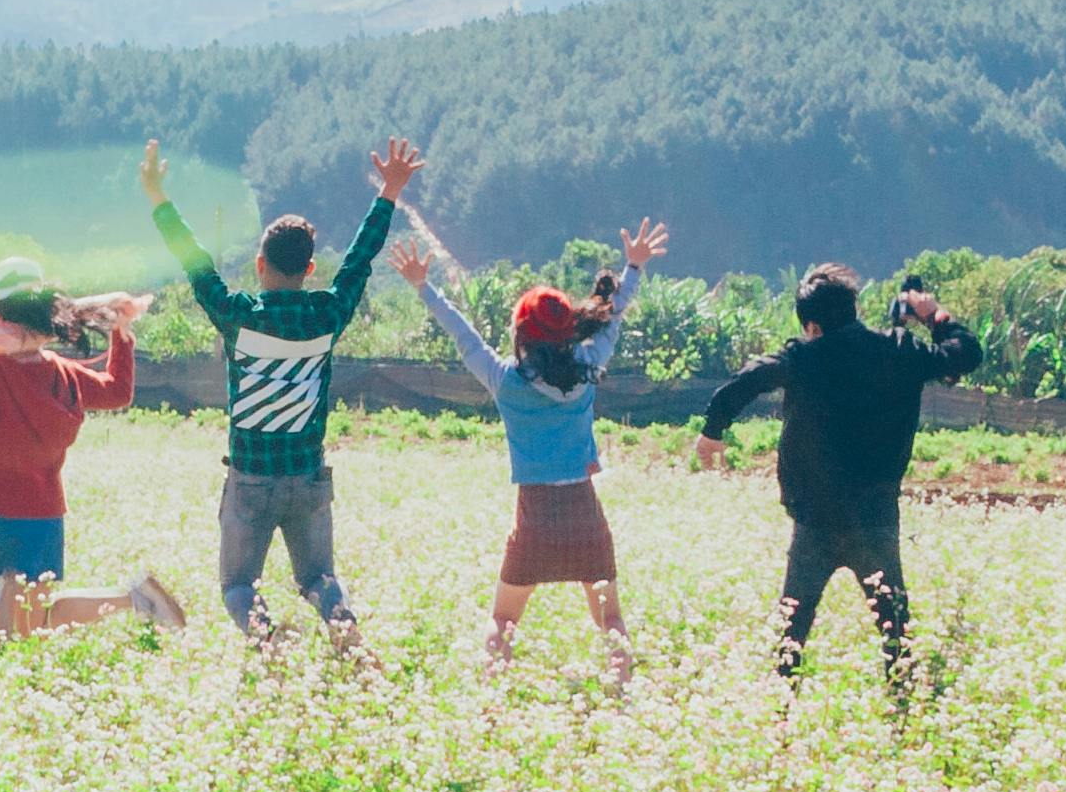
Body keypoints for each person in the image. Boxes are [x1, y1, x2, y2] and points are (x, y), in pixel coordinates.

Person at [141, 135, 417, 644]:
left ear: (259, 265)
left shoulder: (238, 317)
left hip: (250, 479)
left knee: (238, 585)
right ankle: (345, 630)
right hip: (308, 476)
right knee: (318, 578)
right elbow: (360, 261)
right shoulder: (328, 315)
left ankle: (267, 644)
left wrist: (159, 197)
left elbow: (195, 262)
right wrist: (389, 191)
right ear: (311, 270)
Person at [394, 217, 666, 679]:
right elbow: (612, 320)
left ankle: (491, 706)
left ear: (521, 336)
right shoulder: (588, 369)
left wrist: (425, 288)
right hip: (584, 512)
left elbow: (465, 337)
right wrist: (634, 267)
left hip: (534, 517)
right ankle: (623, 698)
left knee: (503, 621)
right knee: (611, 621)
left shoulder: (505, 381)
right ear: (568, 333)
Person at [693, 262, 982, 696]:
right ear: (854, 308)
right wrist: (932, 315)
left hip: (814, 521)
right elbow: (965, 355)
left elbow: (745, 382)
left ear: (812, 325)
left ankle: (778, 715)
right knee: (895, 632)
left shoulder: (805, 357)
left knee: (792, 632)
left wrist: (712, 431)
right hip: (876, 518)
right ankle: (905, 714)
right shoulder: (900, 350)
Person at [0, 261, 184, 638]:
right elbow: (118, 391)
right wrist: (121, 333)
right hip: (46, 513)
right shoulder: (65, 374)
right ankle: (134, 600)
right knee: (31, 621)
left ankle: (0, 603)